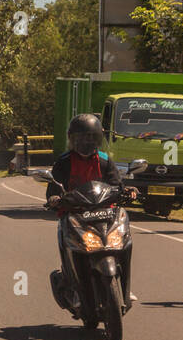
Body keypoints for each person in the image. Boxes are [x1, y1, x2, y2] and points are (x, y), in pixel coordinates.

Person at [45, 114, 138, 301]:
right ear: (72, 139)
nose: (85, 142)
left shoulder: (104, 161)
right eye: (80, 137)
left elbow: (116, 183)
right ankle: (70, 281)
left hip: (104, 213)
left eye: (90, 137)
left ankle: (124, 287)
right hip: (75, 214)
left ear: (97, 139)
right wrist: (54, 198)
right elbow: (53, 189)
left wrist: (127, 190)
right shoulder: (63, 162)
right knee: (66, 237)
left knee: (124, 241)